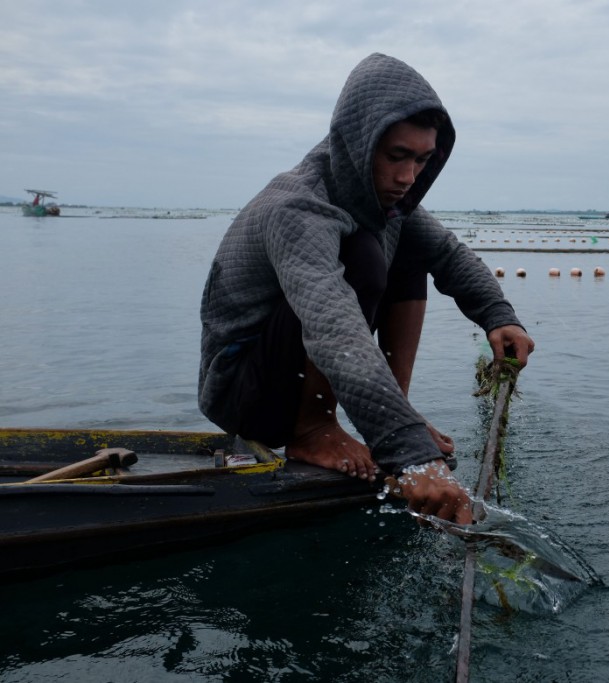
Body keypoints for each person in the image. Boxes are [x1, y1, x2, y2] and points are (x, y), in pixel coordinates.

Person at [198, 53, 534, 525]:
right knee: (363, 256)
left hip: (293, 375)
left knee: (405, 250)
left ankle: (397, 408)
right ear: (359, 145)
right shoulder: (298, 208)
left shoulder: (385, 202)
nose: (407, 177)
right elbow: (334, 329)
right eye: (396, 156)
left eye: (422, 160)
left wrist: (499, 316)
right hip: (244, 392)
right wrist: (412, 457)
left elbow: (449, 254)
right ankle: (314, 428)